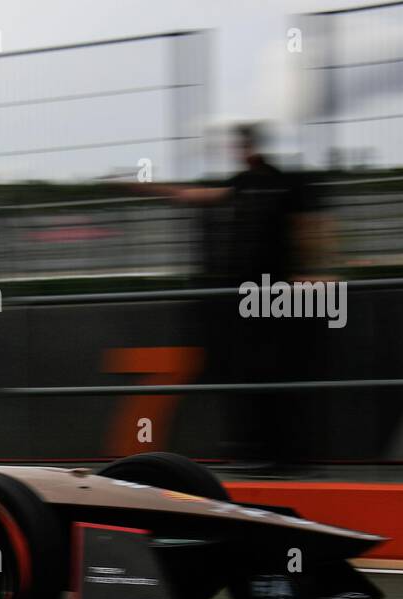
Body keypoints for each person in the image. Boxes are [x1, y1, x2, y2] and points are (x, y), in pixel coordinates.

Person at [131, 123, 328, 472]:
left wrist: (311, 273)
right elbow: (200, 197)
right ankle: (270, 455)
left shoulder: (275, 184)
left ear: (248, 147)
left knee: (270, 375)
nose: (236, 151)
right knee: (265, 375)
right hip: (260, 296)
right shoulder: (256, 183)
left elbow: (306, 231)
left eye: (239, 145)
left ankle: (278, 456)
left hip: (270, 295)